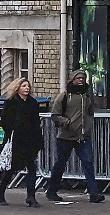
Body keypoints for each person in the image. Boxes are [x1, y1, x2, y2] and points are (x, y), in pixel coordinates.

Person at [45, 69, 104, 203]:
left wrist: (88, 126)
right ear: (72, 80)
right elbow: (54, 115)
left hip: (83, 137)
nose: (81, 80)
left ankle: (94, 193)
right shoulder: (64, 96)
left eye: (83, 78)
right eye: (78, 78)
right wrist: (66, 122)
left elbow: (90, 112)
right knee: (60, 163)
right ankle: (52, 191)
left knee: (88, 163)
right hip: (66, 136)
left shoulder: (87, 96)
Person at [0, 77, 43, 207]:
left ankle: (31, 196)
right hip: (16, 140)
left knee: (32, 169)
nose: (26, 88)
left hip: (29, 140)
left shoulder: (33, 103)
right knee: (11, 169)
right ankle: (1, 192)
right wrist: (12, 132)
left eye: (28, 86)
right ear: (17, 88)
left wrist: (38, 141)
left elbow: (36, 123)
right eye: (24, 86)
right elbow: (5, 121)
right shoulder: (11, 102)